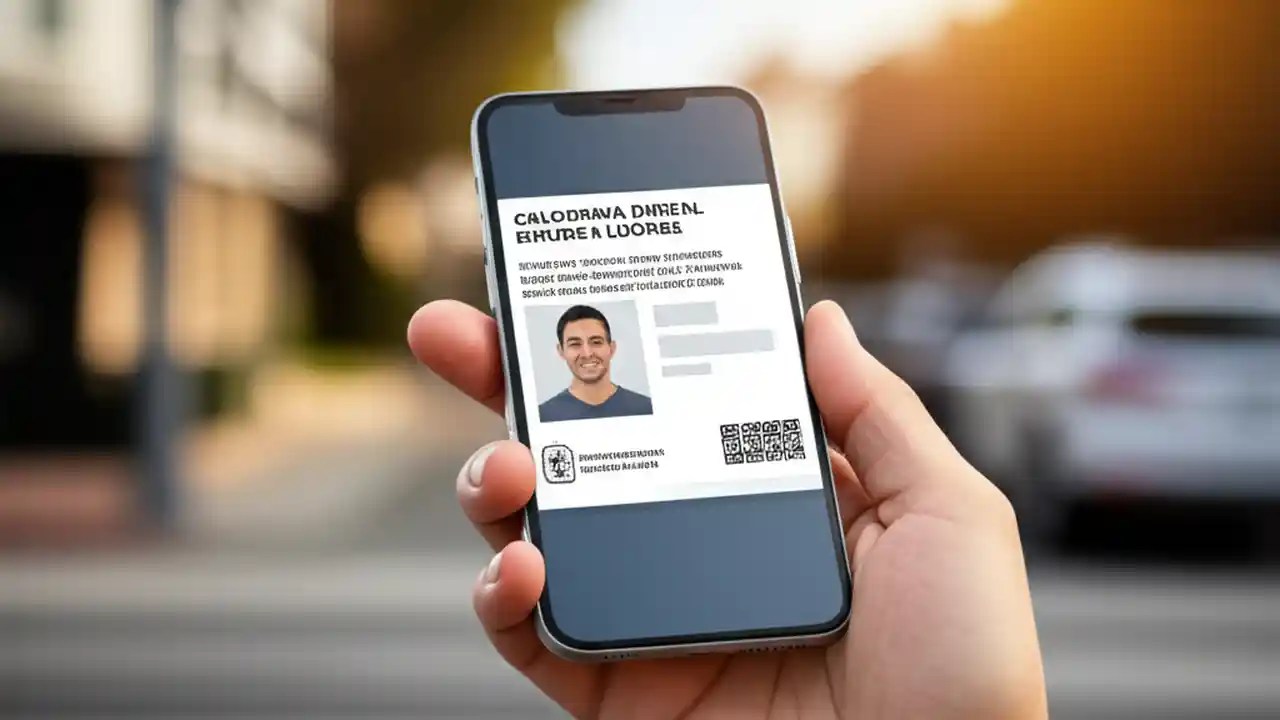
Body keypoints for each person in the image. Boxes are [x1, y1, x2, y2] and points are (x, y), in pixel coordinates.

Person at [407, 299, 1048, 719]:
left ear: (612, 345)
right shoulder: (550, 417)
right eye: (574, 343)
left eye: (597, 338)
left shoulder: (636, 401)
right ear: (560, 354)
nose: (587, 351)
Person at [538, 305, 653, 423]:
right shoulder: (543, 416)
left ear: (612, 348)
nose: (587, 354)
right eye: (575, 344)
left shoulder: (646, 409)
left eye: (596, 342)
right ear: (561, 351)